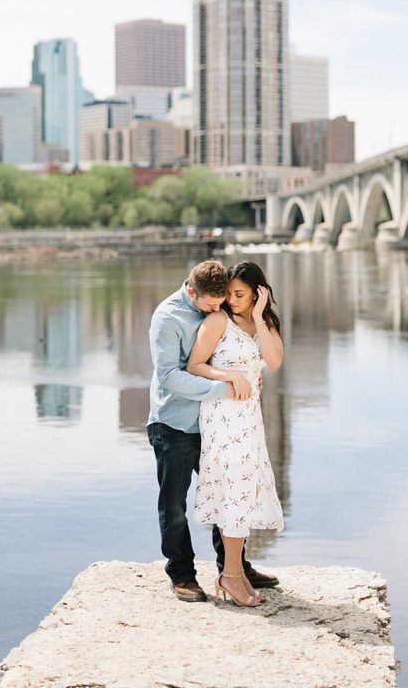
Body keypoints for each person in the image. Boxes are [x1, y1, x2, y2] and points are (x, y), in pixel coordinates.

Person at [146, 260, 280, 602]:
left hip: (216, 423)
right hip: (175, 422)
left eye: (224, 300)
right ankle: (182, 575)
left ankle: (235, 567)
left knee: (228, 491)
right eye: (211, 303)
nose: (218, 307)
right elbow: (171, 377)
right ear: (192, 292)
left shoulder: (220, 308)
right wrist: (228, 384)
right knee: (174, 503)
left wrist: (248, 372)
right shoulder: (168, 317)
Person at [187, 261, 285, 607]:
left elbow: (273, 361)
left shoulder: (263, 321)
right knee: (234, 489)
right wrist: (230, 375)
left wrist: (259, 316)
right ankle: (230, 575)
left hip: (250, 417)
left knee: (247, 490)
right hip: (223, 415)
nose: (232, 300)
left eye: (240, 294)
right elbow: (194, 366)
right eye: (229, 293)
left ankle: (235, 572)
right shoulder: (218, 321)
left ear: (259, 293)